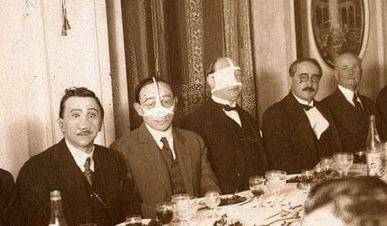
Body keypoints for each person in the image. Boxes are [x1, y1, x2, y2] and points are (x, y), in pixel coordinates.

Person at [12, 87, 141, 226]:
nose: (84, 124)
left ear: (101, 124)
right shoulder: (36, 169)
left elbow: (131, 211)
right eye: (75, 115)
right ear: (62, 124)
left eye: (92, 115)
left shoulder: (113, 159)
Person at [112, 77, 219, 217]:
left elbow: (208, 184)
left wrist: (210, 203)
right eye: (150, 104)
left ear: (175, 102)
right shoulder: (121, 150)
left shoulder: (194, 140)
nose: (160, 111)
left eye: (166, 102)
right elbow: (129, 204)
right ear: (138, 109)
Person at [180, 57, 268, 193]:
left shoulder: (248, 118)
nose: (234, 81)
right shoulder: (194, 121)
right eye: (226, 75)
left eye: (237, 75)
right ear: (211, 81)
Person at [263, 59, 342, 172]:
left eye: (314, 78)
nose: (309, 84)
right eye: (303, 77)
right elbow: (280, 162)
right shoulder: (274, 114)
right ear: (291, 80)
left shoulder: (325, 109)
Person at [320, 52, 381, 152]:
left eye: (355, 67)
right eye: (345, 69)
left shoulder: (370, 103)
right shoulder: (326, 106)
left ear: (361, 72)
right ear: (336, 74)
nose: (351, 72)